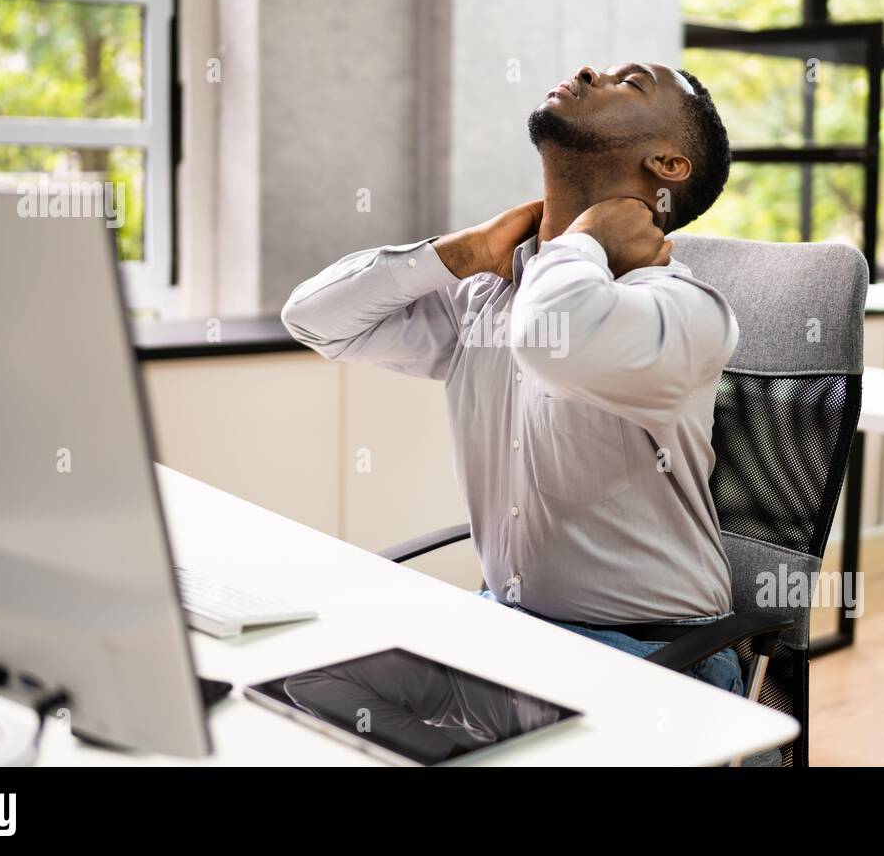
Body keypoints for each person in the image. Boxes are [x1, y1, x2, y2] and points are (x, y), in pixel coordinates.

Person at [281, 63, 740, 692]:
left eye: (631, 84)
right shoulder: (489, 294)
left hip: (656, 658)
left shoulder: (683, 311)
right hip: (506, 630)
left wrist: (579, 244)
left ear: (668, 164)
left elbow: (552, 340)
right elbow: (314, 319)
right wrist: (462, 253)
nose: (588, 71)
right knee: (308, 702)